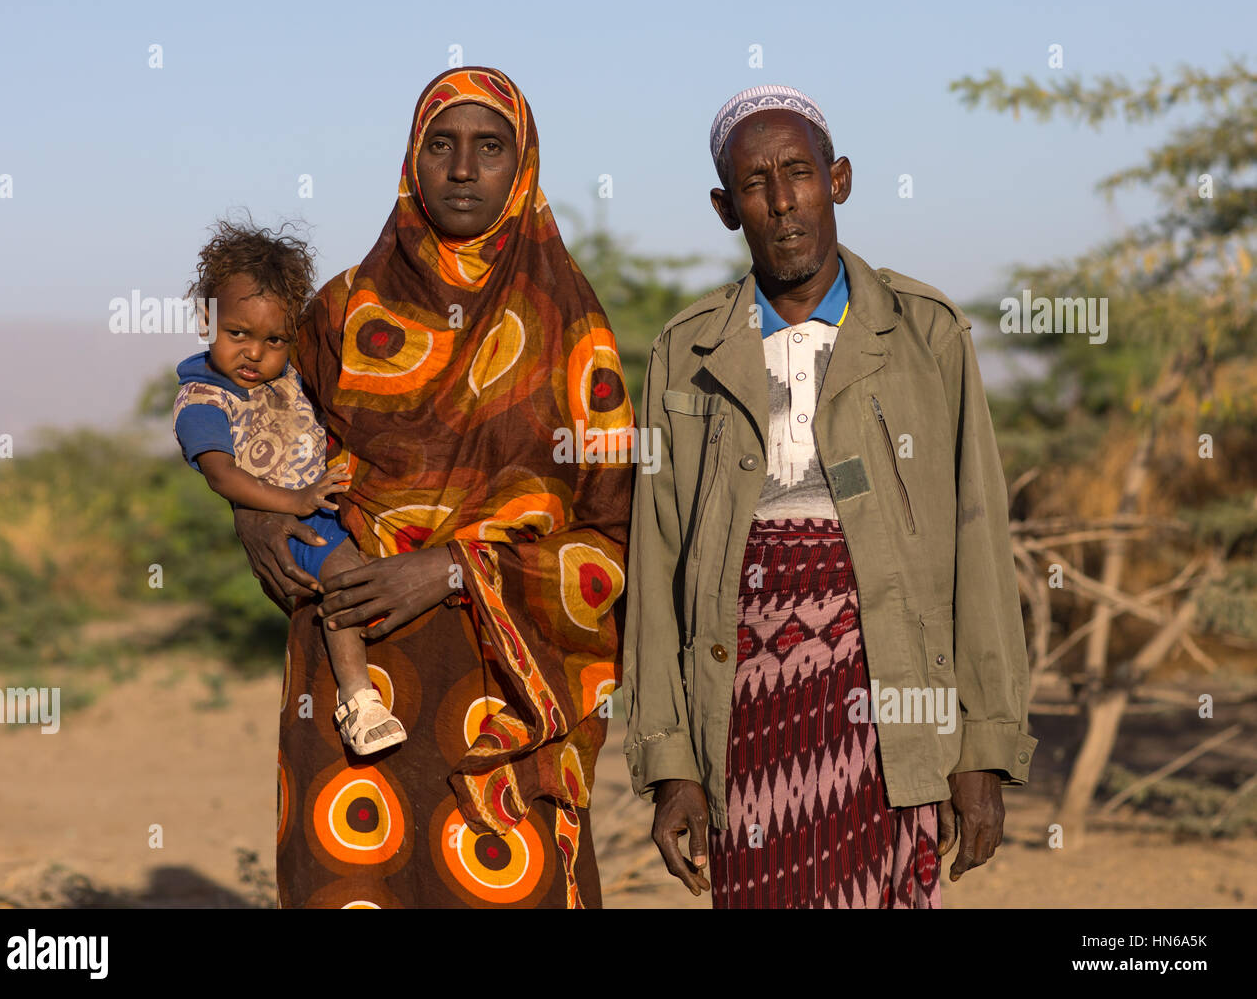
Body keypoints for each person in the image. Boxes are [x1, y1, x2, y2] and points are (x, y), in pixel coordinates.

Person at [623, 85, 1038, 908]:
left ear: (839, 179)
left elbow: (980, 541)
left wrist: (983, 749)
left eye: (798, 173)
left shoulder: (927, 333)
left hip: (894, 701)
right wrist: (671, 763)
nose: (781, 203)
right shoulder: (686, 352)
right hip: (744, 712)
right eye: (753, 184)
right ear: (723, 206)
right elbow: (657, 566)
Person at [232, 67, 634, 908]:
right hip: (352, 665)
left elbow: (616, 536)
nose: (462, 168)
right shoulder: (342, 308)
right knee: (352, 877)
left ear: (520, 166)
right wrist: (251, 519)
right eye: (441, 145)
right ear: (412, 160)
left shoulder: (570, 329)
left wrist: (457, 569)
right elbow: (247, 411)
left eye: (489, 148)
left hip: (499, 680)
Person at [172, 220, 407, 755]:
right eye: (238, 334)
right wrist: (293, 503)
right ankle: (359, 701)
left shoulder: (289, 376)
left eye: (273, 339)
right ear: (207, 320)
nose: (255, 353)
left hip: (325, 501)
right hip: (295, 518)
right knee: (348, 582)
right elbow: (221, 474)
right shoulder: (205, 401)